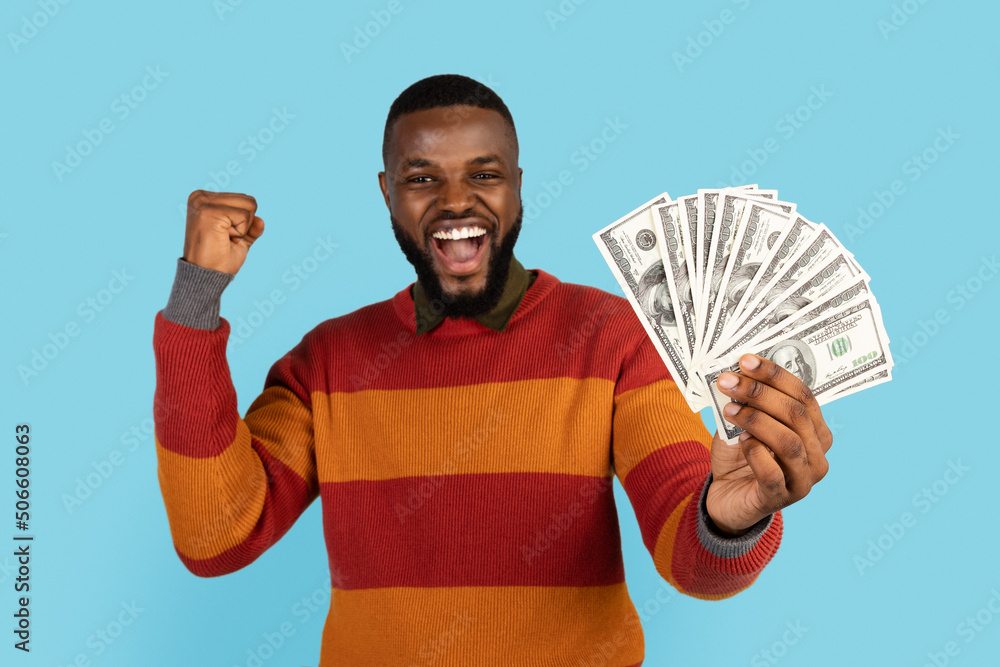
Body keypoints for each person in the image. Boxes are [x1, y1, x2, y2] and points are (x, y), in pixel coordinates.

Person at [153, 74, 833, 666]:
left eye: (484, 174)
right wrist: (195, 301)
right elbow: (215, 537)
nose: (456, 201)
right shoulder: (327, 361)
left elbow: (694, 557)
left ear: (517, 187)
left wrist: (729, 519)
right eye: (422, 178)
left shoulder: (611, 336)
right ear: (387, 193)